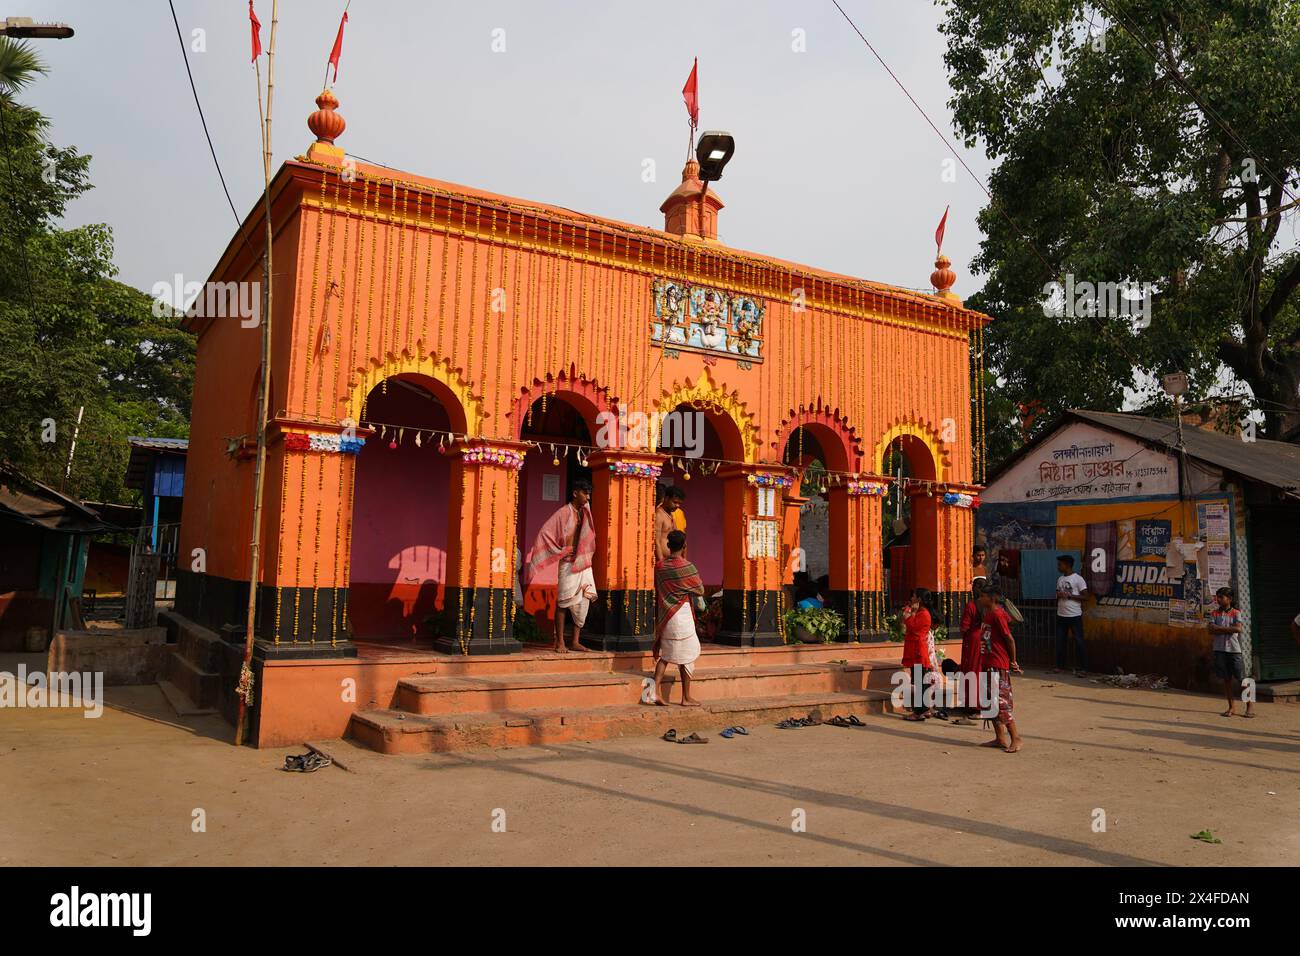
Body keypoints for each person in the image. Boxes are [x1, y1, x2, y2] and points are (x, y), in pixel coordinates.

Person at [523, 480, 596, 653]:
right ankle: (560, 642)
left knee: (584, 599)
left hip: (583, 562)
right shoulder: (563, 513)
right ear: (575, 493)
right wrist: (561, 551)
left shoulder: (586, 512)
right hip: (568, 562)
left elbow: (589, 535)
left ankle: (576, 641)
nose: (587, 497)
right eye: (585, 493)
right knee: (563, 602)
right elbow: (545, 533)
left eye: (589, 494)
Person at [652, 530, 705, 706]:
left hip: (666, 616)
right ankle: (686, 697)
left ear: (668, 545)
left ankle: (654, 691)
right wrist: (684, 588)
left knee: (665, 655)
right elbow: (700, 590)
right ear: (684, 546)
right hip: (682, 614)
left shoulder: (659, 567)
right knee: (687, 656)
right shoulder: (688, 567)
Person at [978, 585, 1024, 753]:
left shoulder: (997, 614)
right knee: (990, 703)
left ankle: (1016, 737)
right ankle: (1000, 738)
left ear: (992, 598)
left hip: (998, 664)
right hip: (988, 663)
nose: (980, 599)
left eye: (983, 596)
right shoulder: (989, 614)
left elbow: (1009, 639)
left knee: (1001, 702)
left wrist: (1013, 661)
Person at [1209, 587, 1253, 718]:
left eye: (1221, 597)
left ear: (1229, 599)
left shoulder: (1236, 612)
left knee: (1243, 679)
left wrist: (1219, 628)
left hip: (1234, 650)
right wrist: (1228, 629)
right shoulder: (1214, 613)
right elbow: (1210, 630)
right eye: (1218, 597)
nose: (1218, 599)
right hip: (1219, 650)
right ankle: (1231, 707)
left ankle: (1249, 706)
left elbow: (1238, 629)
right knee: (1226, 680)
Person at [951, 576, 988, 725]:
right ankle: (981, 703)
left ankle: (973, 705)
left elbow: (964, 627)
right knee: (980, 671)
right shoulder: (987, 606)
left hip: (972, 640)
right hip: (984, 638)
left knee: (971, 671)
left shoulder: (971, 606)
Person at [901, 587, 937, 721]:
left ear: (919, 599)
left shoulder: (924, 614)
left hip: (918, 651)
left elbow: (913, 628)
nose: (912, 598)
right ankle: (925, 709)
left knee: (920, 683)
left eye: (914, 596)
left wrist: (908, 616)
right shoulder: (920, 612)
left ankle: (918, 712)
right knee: (920, 681)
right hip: (915, 649)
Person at [1054, 554, 1089, 673]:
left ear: (1067, 565)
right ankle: (1060, 666)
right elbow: (1057, 593)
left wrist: (1070, 595)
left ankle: (1083, 668)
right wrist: (1058, 595)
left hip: (1074, 616)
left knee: (1079, 642)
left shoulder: (1078, 579)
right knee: (1060, 642)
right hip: (1061, 615)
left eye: (1060, 564)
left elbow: (1085, 596)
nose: (1058, 566)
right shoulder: (1060, 579)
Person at [654, 485, 686, 561]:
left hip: (672, 561)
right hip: (663, 562)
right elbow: (656, 541)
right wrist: (661, 562)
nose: (677, 505)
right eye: (675, 502)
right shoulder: (659, 515)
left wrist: (683, 558)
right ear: (666, 498)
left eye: (679, 503)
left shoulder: (670, 515)